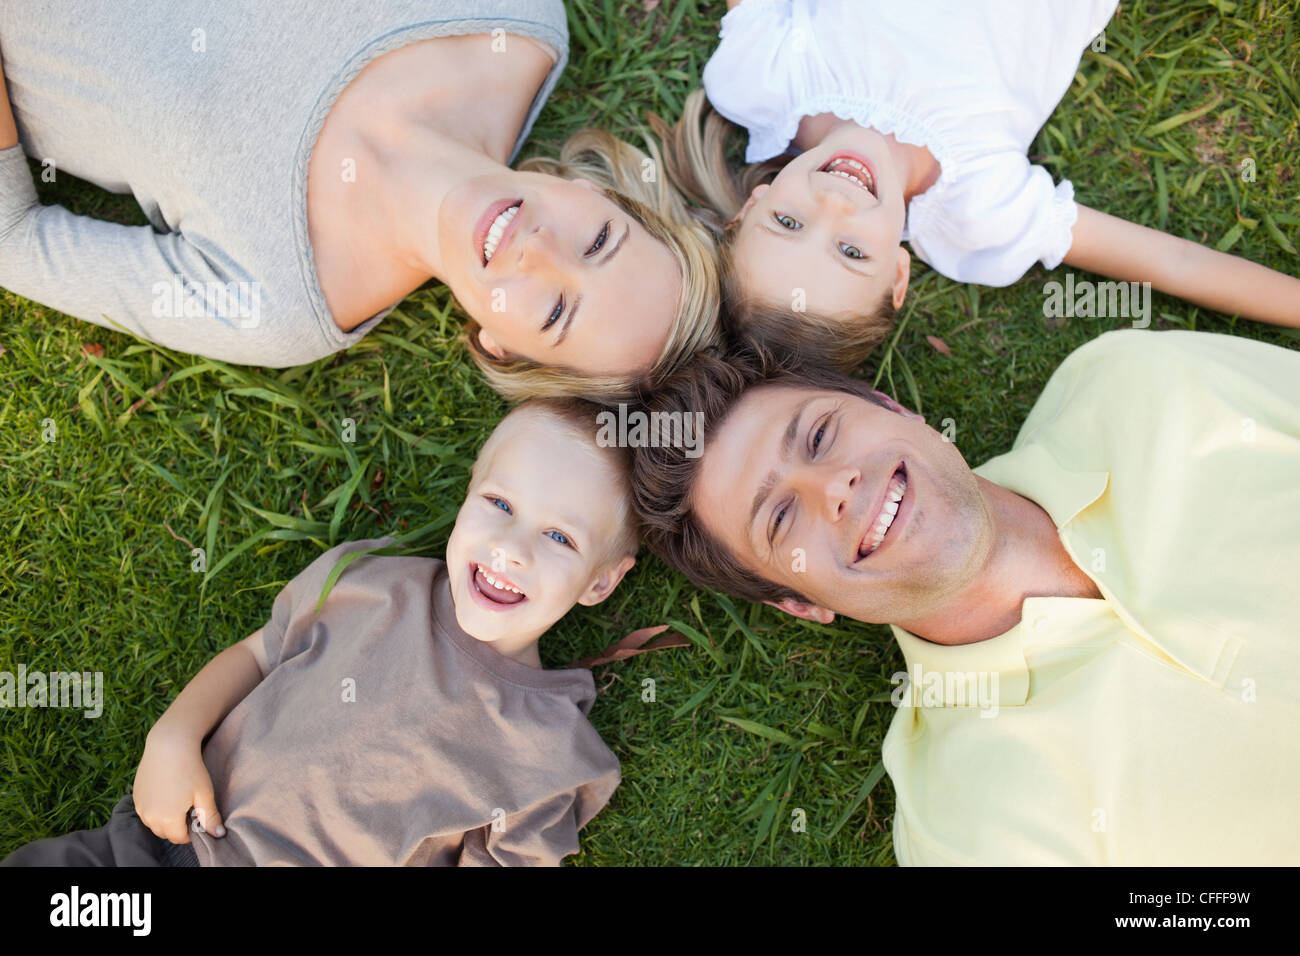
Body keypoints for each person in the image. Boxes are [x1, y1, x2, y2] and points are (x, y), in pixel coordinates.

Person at [627, 331, 1300, 864]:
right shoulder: (969, 825)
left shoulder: (1138, 385)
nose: (832, 486)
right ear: (799, 603)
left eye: (820, 435)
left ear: (894, 407)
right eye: (779, 519)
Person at [2, 398, 641, 866]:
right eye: (499, 504)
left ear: (600, 583)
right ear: (470, 490)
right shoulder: (368, 585)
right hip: (160, 848)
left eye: (559, 537)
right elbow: (257, 654)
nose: (511, 547)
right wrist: (172, 735)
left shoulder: (549, 754)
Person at [0, 2, 720, 400]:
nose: (542, 253)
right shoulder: (510, 20)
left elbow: (14, 239)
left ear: (501, 348)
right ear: (592, 192)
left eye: (557, 311)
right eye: (597, 242)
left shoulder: (279, 301)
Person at [654, 0, 1300, 370]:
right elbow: (1172, 260)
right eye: (852, 252)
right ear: (898, 277)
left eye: (789, 224)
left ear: (751, 206)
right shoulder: (979, 210)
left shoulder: (758, 84)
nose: (834, 205)